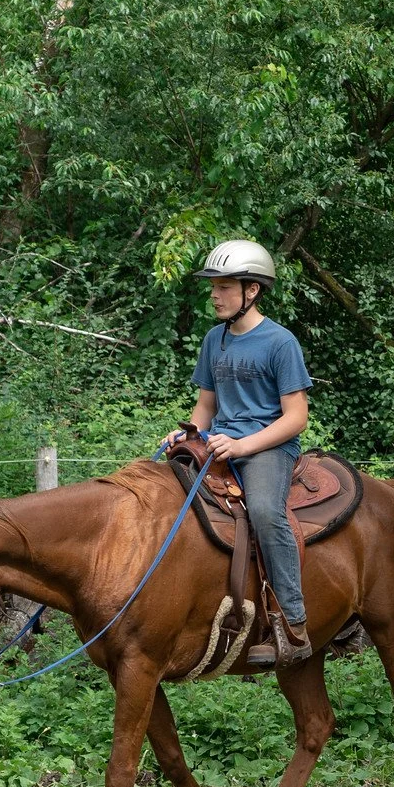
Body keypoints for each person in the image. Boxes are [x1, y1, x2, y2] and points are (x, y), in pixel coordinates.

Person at [163, 240, 314, 668]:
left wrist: (242, 444)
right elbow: (207, 404)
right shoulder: (215, 339)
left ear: (252, 291)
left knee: (266, 511)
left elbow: (296, 417)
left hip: (266, 448)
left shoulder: (280, 343)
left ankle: (293, 622)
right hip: (218, 444)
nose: (214, 294)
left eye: (225, 286)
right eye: (213, 286)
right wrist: (189, 432)